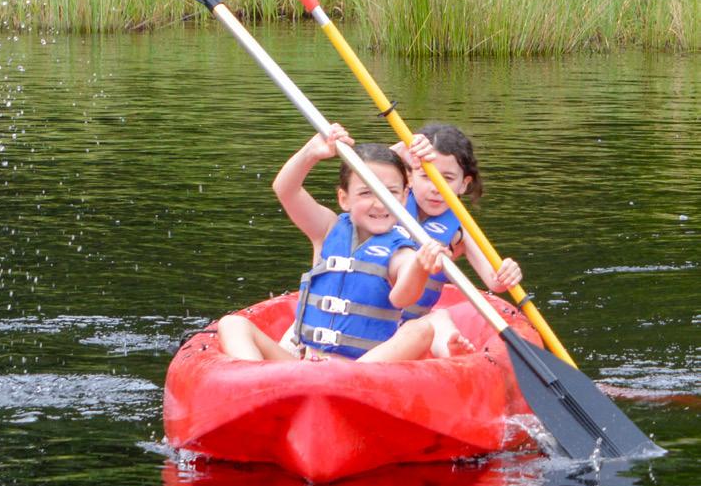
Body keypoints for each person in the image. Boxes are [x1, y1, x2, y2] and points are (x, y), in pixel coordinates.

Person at [217, 125, 459, 363]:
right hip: (304, 364)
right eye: (366, 193)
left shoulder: (402, 250)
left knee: (421, 330)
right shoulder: (327, 228)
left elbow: (403, 298)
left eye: (390, 193)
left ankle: (345, 379)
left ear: (405, 197)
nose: (379, 203)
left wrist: (419, 266)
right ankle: (257, 383)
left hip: (361, 371)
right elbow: (286, 190)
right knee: (232, 324)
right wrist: (311, 152)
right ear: (344, 198)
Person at [393, 121, 522, 314]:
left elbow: (495, 282)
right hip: (377, 320)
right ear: (410, 177)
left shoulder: (460, 229)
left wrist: (508, 273)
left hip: (414, 324)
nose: (436, 188)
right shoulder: (390, 201)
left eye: (448, 179)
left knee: (442, 319)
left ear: (464, 184)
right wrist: (401, 149)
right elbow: (364, 172)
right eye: (427, 176)